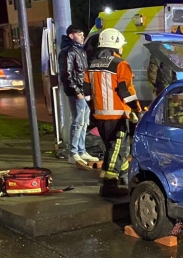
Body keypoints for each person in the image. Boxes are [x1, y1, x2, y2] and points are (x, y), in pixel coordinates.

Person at [85, 28, 143, 197]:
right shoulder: (121, 64)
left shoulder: (93, 65)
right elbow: (126, 91)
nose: (122, 49)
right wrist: (136, 109)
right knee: (115, 150)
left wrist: (93, 110)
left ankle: (125, 179)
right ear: (115, 46)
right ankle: (109, 185)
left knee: (119, 150)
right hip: (117, 117)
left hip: (99, 117)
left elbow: (87, 92)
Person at [57, 24, 99, 166]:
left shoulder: (80, 51)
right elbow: (66, 75)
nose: (82, 35)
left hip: (83, 92)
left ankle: (81, 150)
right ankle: (73, 152)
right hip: (77, 93)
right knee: (78, 121)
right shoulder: (68, 52)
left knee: (84, 122)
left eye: (82, 33)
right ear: (71, 36)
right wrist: (78, 92)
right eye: (79, 33)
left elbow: (83, 73)